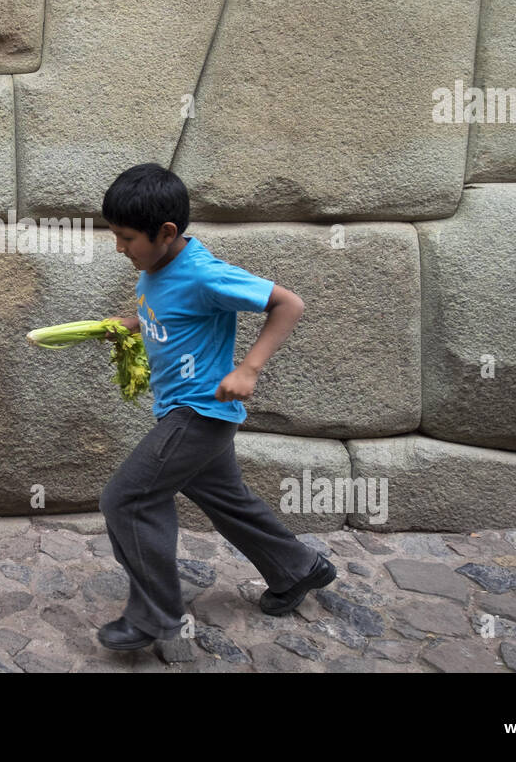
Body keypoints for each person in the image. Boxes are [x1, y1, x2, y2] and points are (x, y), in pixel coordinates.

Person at [95, 162, 336, 651]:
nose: (119, 248)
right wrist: (129, 324)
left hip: (199, 411)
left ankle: (157, 621)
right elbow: (167, 313)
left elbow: (289, 304)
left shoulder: (204, 274)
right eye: (114, 236)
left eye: (126, 238)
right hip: (185, 412)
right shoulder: (156, 267)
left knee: (127, 499)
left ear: (165, 232)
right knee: (228, 503)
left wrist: (248, 369)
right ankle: (299, 568)